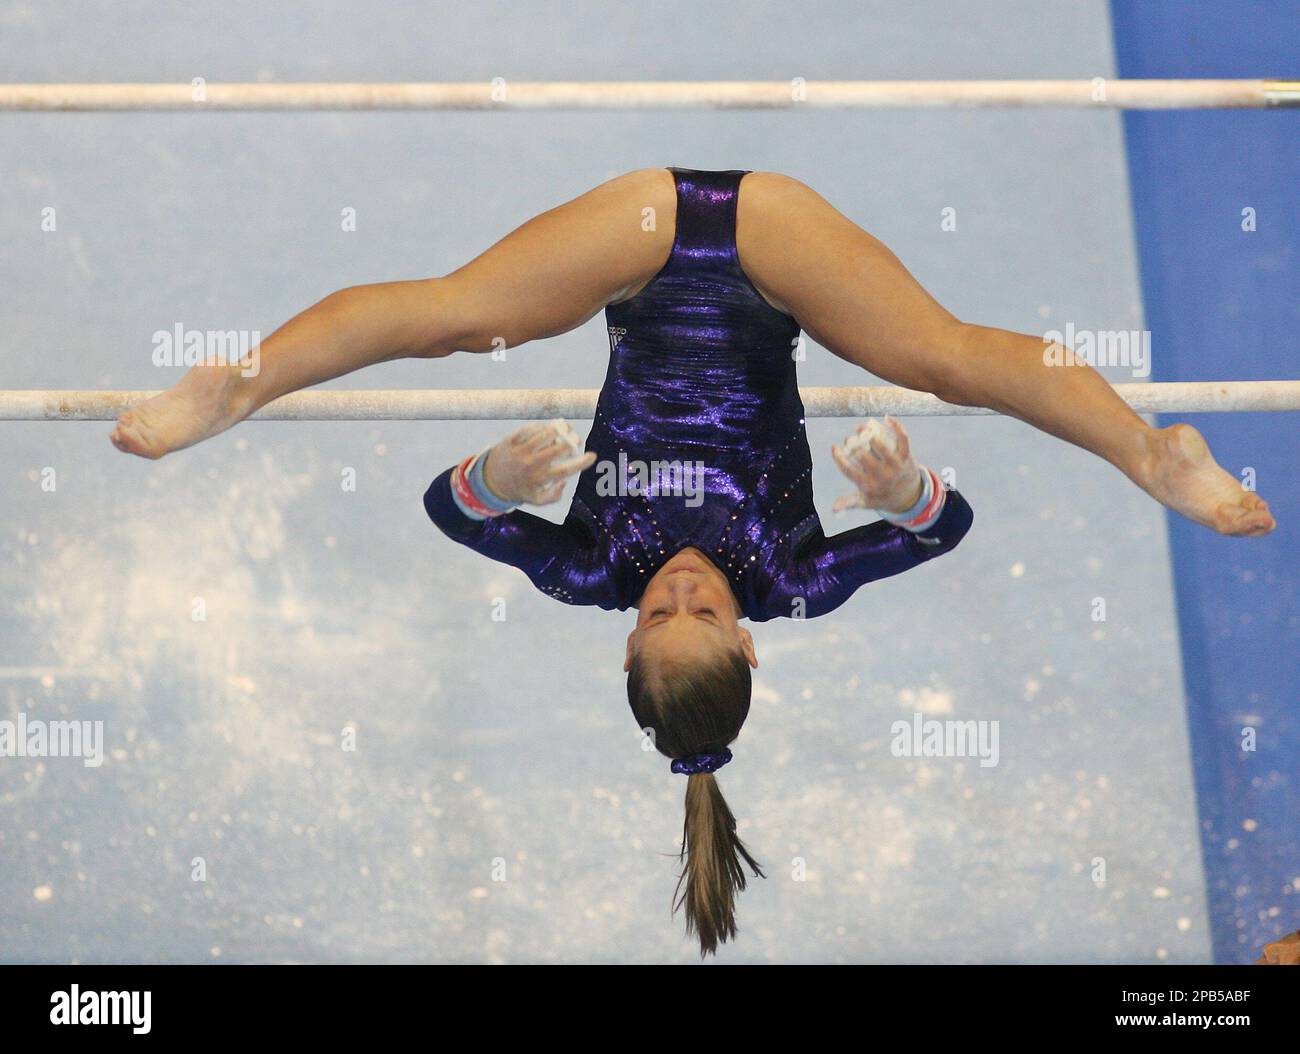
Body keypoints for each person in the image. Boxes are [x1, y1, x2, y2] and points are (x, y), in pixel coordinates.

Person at [109, 166, 1275, 955]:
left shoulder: (585, 568)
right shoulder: (794, 573)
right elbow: (940, 531)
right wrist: (903, 491)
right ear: (746, 639)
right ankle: (1147, 449)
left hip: (633, 250)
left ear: (627, 634)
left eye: (659, 613)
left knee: (461, 316)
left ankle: (240, 381)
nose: (679, 590)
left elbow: (449, 510)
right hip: (775, 258)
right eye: (702, 615)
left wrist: (501, 484)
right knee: (944, 358)